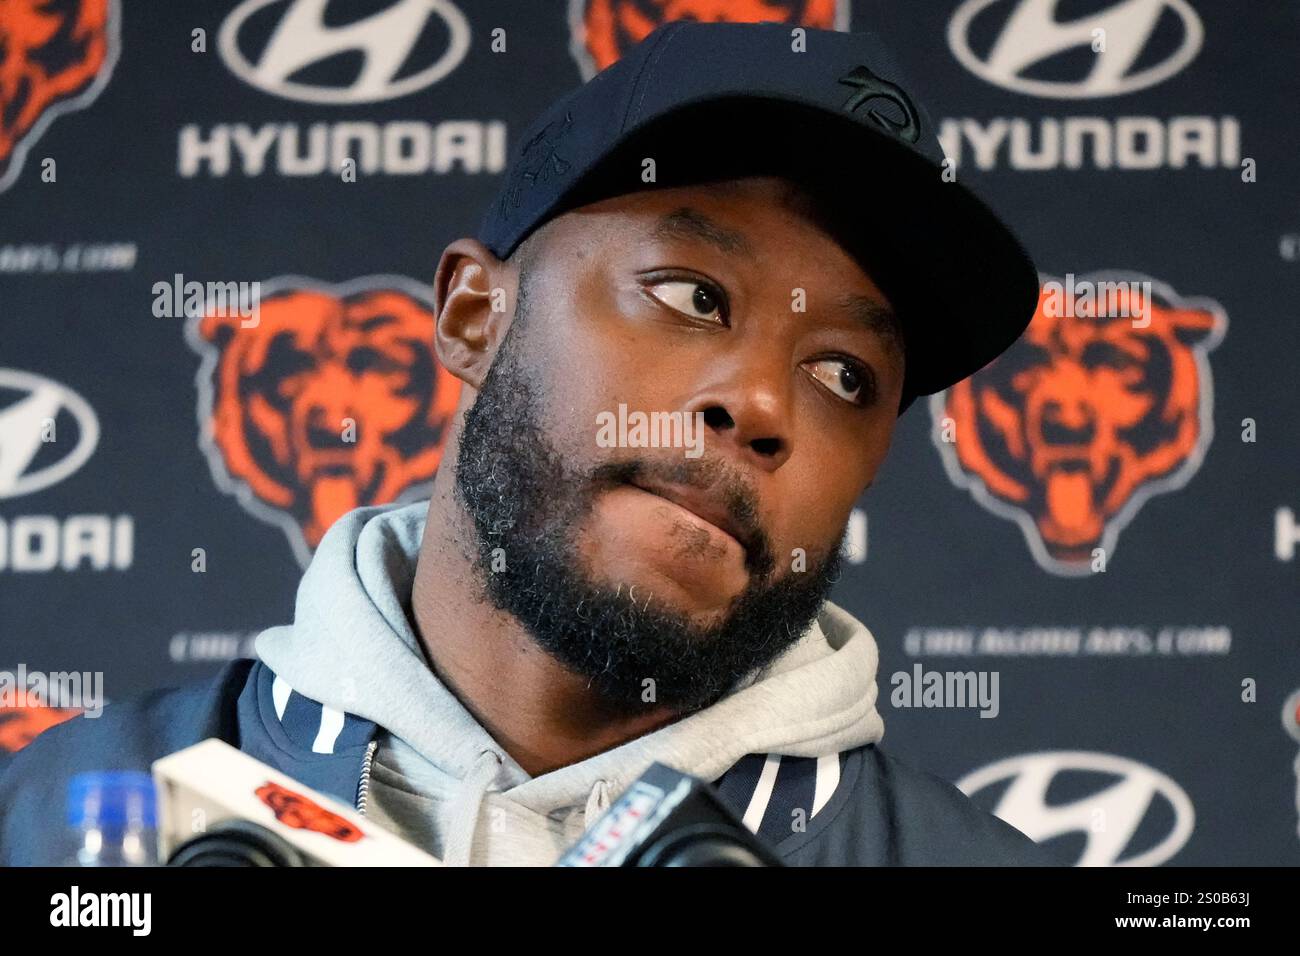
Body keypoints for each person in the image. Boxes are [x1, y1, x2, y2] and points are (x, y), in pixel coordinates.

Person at [0, 21, 1057, 866]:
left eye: (845, 375)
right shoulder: (49, 823)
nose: (763, 406)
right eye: (690, 293)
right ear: (472, 316)